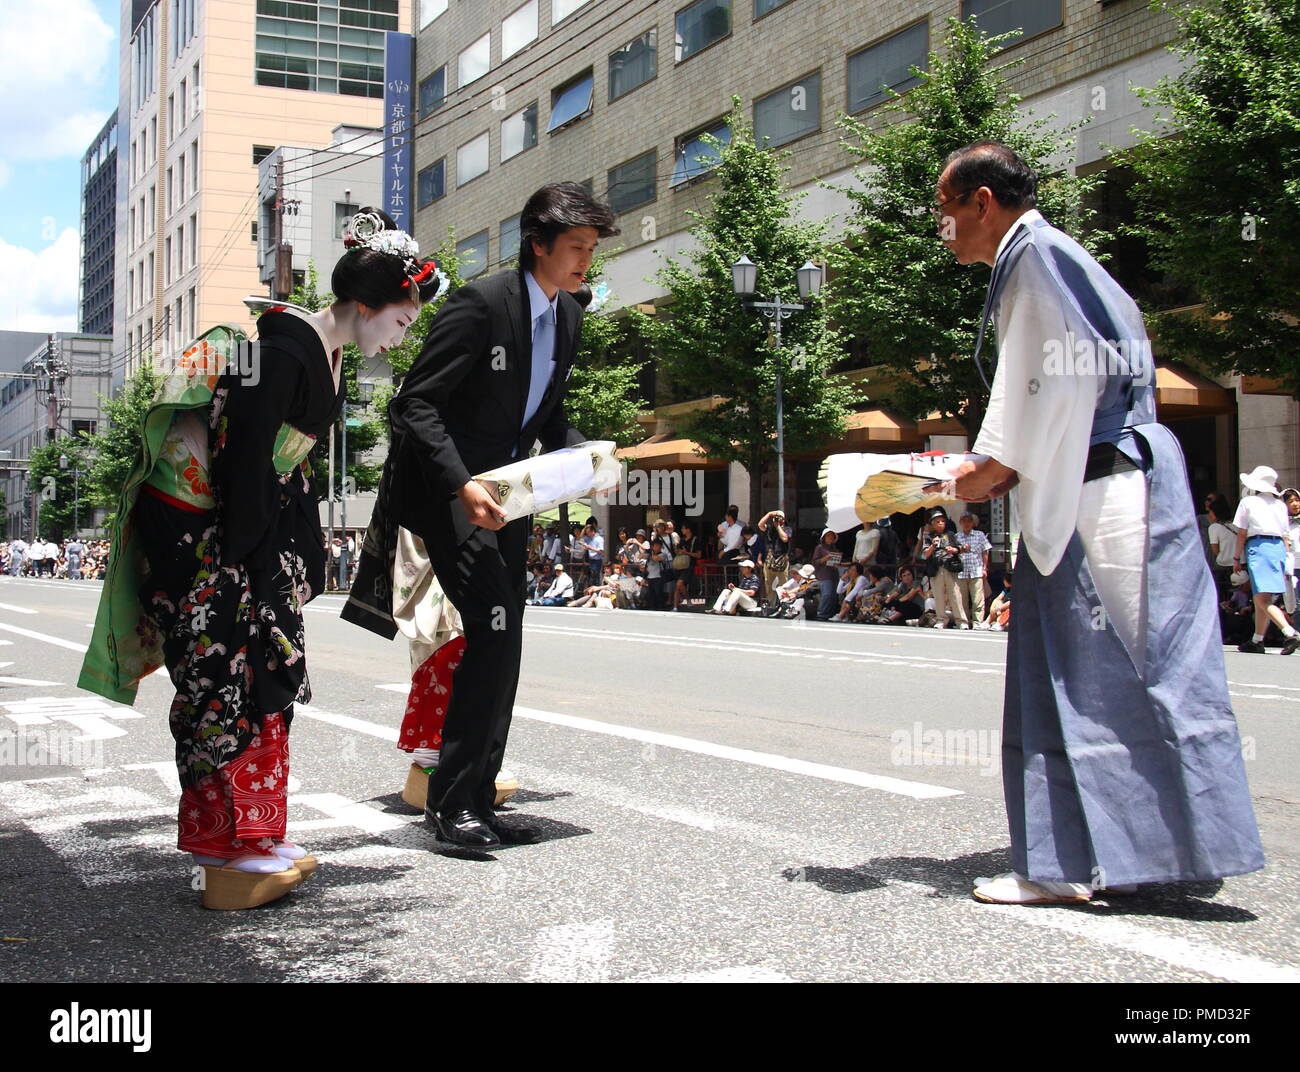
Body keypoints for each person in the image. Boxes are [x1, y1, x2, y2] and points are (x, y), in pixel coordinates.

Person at [80, 206, 438, 908]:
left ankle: (259, 837)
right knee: (224, 683)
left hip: (250, 538)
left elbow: (281, 471)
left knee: (265, 682)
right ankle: (224, 850)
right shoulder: (279, 350)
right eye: (400, 321)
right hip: (212, 539)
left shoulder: (316, 351)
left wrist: (288, 555)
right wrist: (246, 560)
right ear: (366, 306)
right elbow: (245, 461)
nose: (400, 338)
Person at [940, 140, 1263, 904]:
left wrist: (973, 474)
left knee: (1077, 674)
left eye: (946, 210)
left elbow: (1043, 399)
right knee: (1155, 672)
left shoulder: (1035, 263)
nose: (941, 228)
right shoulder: (1061, 256)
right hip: (1129, 480)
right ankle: (1180, 850)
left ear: (983, 202)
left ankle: (1057, 868)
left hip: (1097, 487)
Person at [346, 183, 618, 851]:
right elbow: (414, 405)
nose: (587, 261)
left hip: (509, 494)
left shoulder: (570, 317)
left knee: (507, 635)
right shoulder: (480, 303)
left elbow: (545, 415)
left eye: (591, 249)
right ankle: (449, 803)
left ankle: (479, 798)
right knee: (492, 631)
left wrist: (588, 461)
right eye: (577, 248)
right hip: (450, 494)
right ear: (539, 245)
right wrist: (462, 484)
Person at [1231, 465, 1299, 653]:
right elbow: (1285, 535)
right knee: (1262, 596)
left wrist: (1236, 558)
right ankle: (1257, 639)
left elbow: (1242, 533)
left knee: (1261, 598)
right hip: (1278, 548)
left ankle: (1289, 632)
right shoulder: (1279, 505)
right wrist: (1287, 559)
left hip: (1259, 547)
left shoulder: (1248, 502)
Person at [919, 509, 964, 627]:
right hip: (936, 568)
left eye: (942, 521)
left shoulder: (951, 535)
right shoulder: (929, 537)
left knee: (955, 595)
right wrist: (933, 546)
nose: (940, 523)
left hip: (949, 567)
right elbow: (924, 555)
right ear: (932, 524)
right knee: (938, 596)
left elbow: (960, 548)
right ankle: (941, 620)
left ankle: (961, 621)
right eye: (937, 521)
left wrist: (954, 550)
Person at [954, 513, 990, 629]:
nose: (966, 523)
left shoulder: (980, 535)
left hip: (976, 571)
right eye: (964, 521)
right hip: (961, 572)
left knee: (977, 599)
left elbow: (985, 552)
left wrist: (985, 568)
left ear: (973, 523)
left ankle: (977, 622)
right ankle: (964, 622)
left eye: (969, 521)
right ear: (960, 523)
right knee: (962, 600)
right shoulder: (956, 537)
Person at [757, 509, 792, 601]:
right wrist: (769, 514)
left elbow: (785, 538)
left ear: (783, 519)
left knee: (783, 585)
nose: (777, 519)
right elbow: (760, 525)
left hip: (782, 560)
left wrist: (778, 527)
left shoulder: (787, 529)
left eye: (780, 518)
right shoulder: (769, 528)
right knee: (768, 584)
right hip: (770, 560)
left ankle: (783, 604)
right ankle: (771, 604)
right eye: (776, 518)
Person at [810, 528, 843, 621]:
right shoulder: (819, 548)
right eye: (828, 535)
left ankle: (830, 613)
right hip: (824, 574)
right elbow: (815, 561)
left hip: (834, 573)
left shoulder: (835, 549)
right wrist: (825, 559)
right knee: (827, 594)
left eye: (832, 536)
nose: (830, 537)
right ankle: (821, 613)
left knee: (833, 595)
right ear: (824, 537)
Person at [672, 522, 701, 610]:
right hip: (680, 564)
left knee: (679, 583)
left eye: (683, 528)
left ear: (688, 529)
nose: (682, 530)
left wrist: (686, 552)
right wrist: (677, 550)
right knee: (677, 585)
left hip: (689, 565)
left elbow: (698, 555)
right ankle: (675, 606)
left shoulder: (695, 540)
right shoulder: (682, 540)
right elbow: (678, 552)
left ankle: (687, 600)